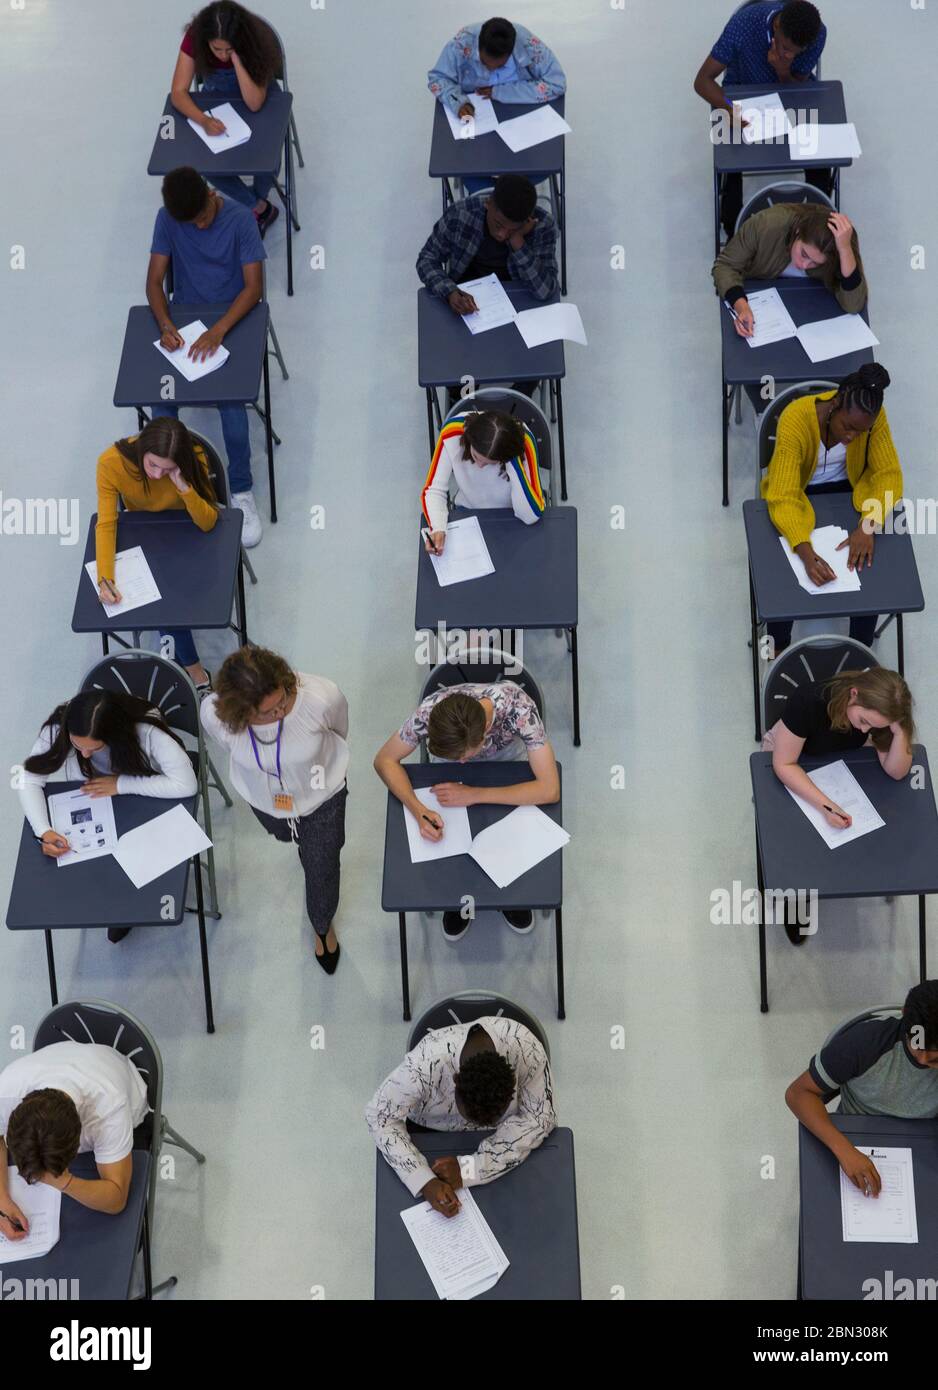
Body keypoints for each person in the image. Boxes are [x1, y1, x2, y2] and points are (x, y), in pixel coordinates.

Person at [200, 646, 349, 973]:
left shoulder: (321, 697)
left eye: (283, 701)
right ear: (240, 713)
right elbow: (227, 746)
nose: (280, 712)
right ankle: (305, 848)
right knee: (291, 840)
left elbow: (339, 732)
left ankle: (322, 926)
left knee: (322, 866)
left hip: (322, 796)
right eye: (267, 713)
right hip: (267, 802)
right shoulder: (215, 715)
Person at [373, 681, 559, 941]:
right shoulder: (429, 713)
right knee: (447, 842)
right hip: (448, 775)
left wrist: (476, 795)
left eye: (464, 755)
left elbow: (549, 788)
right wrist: (418, 809)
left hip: (504, 766)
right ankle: (456, 899)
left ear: (485, 732)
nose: (463, 761)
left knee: (509, 839)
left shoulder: (519, 707)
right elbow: (384, 760)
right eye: (458, 756)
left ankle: (509, 898)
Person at [147, 165, 266, 547]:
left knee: (232, 404)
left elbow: (254, 289)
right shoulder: (168, 218)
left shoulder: (239, 220)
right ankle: (169, 484)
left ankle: (242, 491)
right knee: (160, 404)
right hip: (185, 320)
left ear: (211, 196)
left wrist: (219, 330)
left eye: (202, 218)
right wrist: (166, 324)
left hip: (233, 316)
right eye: (190, 222)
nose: (198, 227)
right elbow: (153, 282)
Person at [18, 691, 198, 943]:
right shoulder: (60, 727)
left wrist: (121, 784)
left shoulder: (147, 731)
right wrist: (42, 830)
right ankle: (120, 910)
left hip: (145, 790)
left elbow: (186, 785)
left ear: (116, 736)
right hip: (96, 800)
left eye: (95, 747)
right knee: (99, 865)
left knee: (144, 859)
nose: (85, 755)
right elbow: (27, 778)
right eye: (77, 745)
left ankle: (129, 906)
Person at [766, 667, 914, 942]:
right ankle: (795, 894)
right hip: (794, 757)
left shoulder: (877, 716)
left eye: (875, 726)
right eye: (864, 720)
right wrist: (827, 807)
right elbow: (783, 764)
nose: (865, 729)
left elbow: (897, 771)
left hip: (839, 765)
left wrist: (899, 728)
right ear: (853, 694)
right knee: (795, 834)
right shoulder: (809, 701)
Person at [761, 365, 902, 655]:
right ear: (835, 404)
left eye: (860, 431)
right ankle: (778, 650)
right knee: (787, 573)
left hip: (849, 495)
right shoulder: (796, 418)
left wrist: (868, 524)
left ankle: (859, 650)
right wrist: (805, 551)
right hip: (800, 493)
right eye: (847, 427)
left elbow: (889, 474)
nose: (852, 436)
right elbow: (783, 494)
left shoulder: (873, 420)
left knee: (867, 565)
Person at [365, 1016, 556, 1218]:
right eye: (469, 1116)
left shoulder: (524, 1047)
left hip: (500, 1134)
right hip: (431, 1131)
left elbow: (540, 1118)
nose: (471, 1124)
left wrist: (470, 1169)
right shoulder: (424, 1065)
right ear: (455, 1080)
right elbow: (379, 1115)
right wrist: (424, 1181)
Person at [96, 417, 219, 694]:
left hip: (186, 533)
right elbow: (106, 523)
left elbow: (208, 521)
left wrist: (184, 486)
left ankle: (186, 670)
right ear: (141, 449)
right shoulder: (110, 462)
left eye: (168, 468)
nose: (157, 475)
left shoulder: (193, 458)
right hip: (144, 536)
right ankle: (195, 672)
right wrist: (105, 577)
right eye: (152, 465)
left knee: (171, 602)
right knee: (166, 605)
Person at [785, 981, 938, 1198]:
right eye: (916, 1045)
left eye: (934, 1058)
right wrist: (844, 1150)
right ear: (905, 1016)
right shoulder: (865, 1042)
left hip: (923, 1139)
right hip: (855, 1132)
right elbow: (798, 1094)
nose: (922, 1059)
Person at [417, 173, 557, 404]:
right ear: (488, 203)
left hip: (519, 302)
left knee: (536, 366)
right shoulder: (461, 214)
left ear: (527, 220)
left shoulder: (543, 227)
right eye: (498, 225)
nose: (502, 234)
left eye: (512, 230)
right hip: (468, 300)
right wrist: (450, 291)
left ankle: (513, 413)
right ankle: (463, 408)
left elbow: (544, 290)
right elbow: (426, 259)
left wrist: (519, 243)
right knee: (458, 373)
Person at [693, 2, 829, 238]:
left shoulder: (817, 34)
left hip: (790, 95)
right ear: (776, 26)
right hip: (743, 92)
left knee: (821, 154)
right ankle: (733, 230)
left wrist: (783, 70)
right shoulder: (743, 25)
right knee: (731, 158)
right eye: (785, 47)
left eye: (796, 52)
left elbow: (798, 86)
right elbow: (702, 81)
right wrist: (728, 109)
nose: (790, 55)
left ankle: (818, 226)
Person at [0, 1042, 150, 1238]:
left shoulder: (109, 1109)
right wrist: (2, 1200)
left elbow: (117, 1198)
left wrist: (64, 1182)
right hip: (66, 1062)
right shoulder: (6, 1090)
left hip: (121, 1088)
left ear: (76, 1148)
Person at [170, 1, 281, 237]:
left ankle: (257, 203)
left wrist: (238, 60)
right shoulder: (195, 36)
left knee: (267, 159)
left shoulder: (253, 41)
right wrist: (203, 120)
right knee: (203, 162)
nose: (222, 55)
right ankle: (259, 208)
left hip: (257, 93)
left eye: (228, 49)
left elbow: (254, 102)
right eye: (216, 49)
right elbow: (178, 93)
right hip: (218, 99)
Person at [713, 202, 866, 335]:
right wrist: (741, 307)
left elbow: (854, 304)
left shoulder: (843, 243)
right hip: (758, 295)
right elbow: (725, 266)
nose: (804, 265)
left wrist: (845, 251)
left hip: (808, 308)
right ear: (798, 232)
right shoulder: (766, 225)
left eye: (816, 263)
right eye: (804, 254)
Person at [422, 409, 544, 556]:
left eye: (489, 463)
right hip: (468, 512)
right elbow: (434, 490)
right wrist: (438, 527)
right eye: (476, 456)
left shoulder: (525, 442)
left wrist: (514, 462)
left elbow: (530, 516)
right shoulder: (452, 431)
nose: (480, 466)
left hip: (510, 516)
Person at [428, 18, 566, 115]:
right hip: (475, 103)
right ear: (478, 48)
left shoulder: (528, 44)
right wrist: (458, 102)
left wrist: (502, 92)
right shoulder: (461, 44)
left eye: (500, 66)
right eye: (484, 63)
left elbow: (557, 84)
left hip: (518, 107)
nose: (491, 69)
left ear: (511, 52)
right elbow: (438, 79)